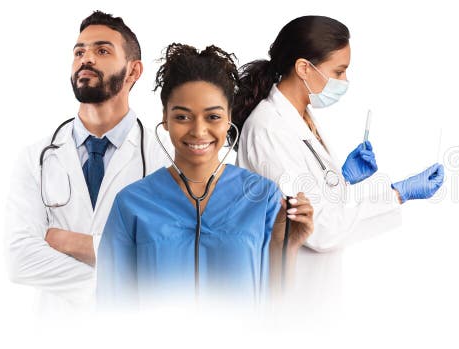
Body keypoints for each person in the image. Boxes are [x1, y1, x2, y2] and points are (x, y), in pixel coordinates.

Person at [233, 15, 445, 311]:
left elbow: (315, 201)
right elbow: (316, 229)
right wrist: (398, 193)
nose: (345, 82)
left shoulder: (299, 117)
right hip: (289, 300)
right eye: (339, 72)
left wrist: (341, 180)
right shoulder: (268, 129)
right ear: (304, 68)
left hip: (316, 294)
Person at [96, 43, 314, 309]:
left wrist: (286, 246)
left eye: (212, 116)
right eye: (183, 116)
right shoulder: (130, 204)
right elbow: (111, 308)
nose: (199, 131)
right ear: (165, 118)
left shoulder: (264, 198)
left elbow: (278, 311)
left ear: (229, 118)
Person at [5, 10, 169, 313]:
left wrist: (59, 239)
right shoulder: (36, 158)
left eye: (102, 50)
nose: (86, 59)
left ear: (133, 71)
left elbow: (164, 258)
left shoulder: (164, 159)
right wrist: (112, 281)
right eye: (79, 51)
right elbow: (19, 258)